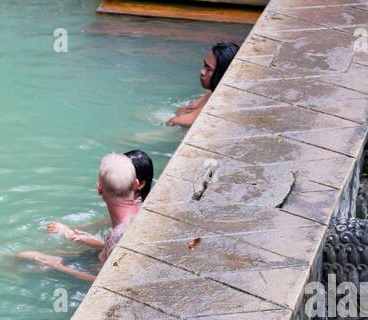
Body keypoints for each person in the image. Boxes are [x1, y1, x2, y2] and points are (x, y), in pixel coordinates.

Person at [17, 152, 149, 282]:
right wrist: (85, 239)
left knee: (25, 257)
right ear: (136, 185)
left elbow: (108, 282)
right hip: (102, 258)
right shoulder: (141, 208)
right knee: (29, 256)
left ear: (99, 189)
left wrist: (58, 266)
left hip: (98, 269)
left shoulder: (120, 234)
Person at [167, 41, 239, 128]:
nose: (202, 72)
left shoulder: (215, 106)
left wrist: (174, 120)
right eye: (204, 65)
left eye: (208, 69)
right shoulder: (214, 93)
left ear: (224, 73)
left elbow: (174, 121)